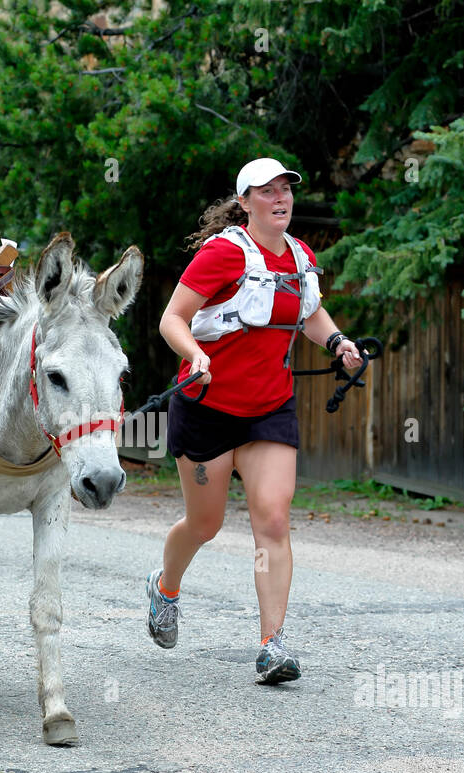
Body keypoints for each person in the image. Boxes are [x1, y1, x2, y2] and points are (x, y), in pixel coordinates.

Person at [147, 158, 363, 685]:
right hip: (207, 407)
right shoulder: (223, 253)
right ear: (245, 202)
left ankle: (272, 645)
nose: (280, 197)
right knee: (206, 523)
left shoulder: (300, 256)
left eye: (286, 188)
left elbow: (309, 312)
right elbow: (172, 318)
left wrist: (337, 342)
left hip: (269, 409)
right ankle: (165, 586)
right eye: (267, 191)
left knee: (272, 520)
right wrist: (195, 355)